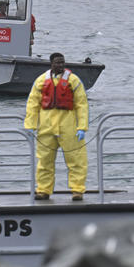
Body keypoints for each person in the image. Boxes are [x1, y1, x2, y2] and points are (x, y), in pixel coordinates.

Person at [24, 53, 89, 202]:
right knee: (44, 160)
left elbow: (82, 104)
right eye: (57, 63)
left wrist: (82, 127)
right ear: (51, 64)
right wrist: (30, 125)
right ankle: (43, 190)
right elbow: (33, 104)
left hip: (69, 125)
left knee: (76, 159)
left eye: (62, 62)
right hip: (46, 126)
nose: (60, 65)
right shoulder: (41, 80)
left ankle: (77, 190)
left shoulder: (73, 80)